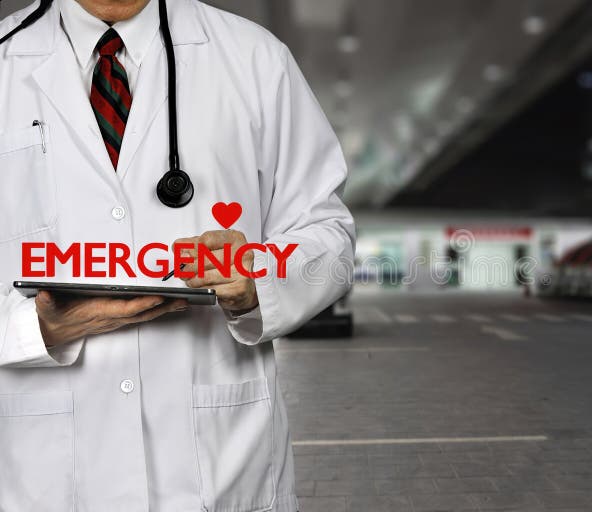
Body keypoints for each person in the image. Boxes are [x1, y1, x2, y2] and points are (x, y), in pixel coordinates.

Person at [0, 0, 355, 510]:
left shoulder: (253, 59)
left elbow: (329, 232)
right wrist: (36, 329)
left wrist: (260, 277)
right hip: (34, 476)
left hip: (220, 469)